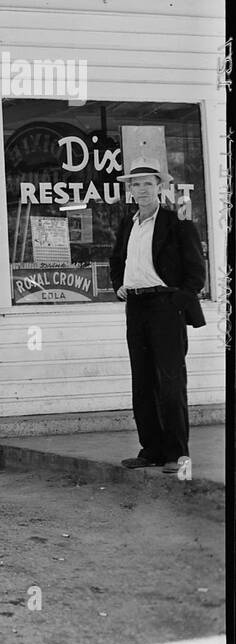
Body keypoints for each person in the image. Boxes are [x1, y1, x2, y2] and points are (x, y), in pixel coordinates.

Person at [108, 159, 206, 474]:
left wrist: (177, 301)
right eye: (136, 185)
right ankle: (151, 449)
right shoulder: (128, 223)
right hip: (135, 307)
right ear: (130, 190)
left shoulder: (175, 221)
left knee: (171, 382)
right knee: (143, 381)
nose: (142, 190)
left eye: (148, 184)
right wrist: (119, 286)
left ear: (159, 188)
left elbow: (195, 271)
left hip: (165, 306)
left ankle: (178, 455)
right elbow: (116, 260)